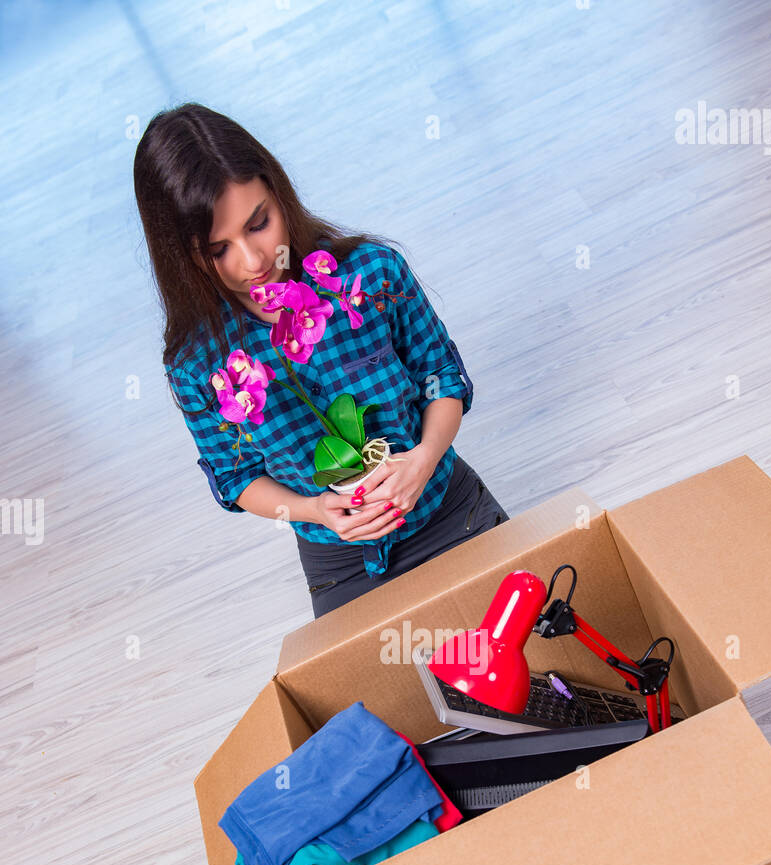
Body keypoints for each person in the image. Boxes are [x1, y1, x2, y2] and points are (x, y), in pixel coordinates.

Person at [133, 103, 508, 617]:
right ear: (183, 256)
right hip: (341, 564)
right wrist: (314, 510)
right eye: (218, 249)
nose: (254, 262)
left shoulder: (371, 274)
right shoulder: (197, 363)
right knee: (383, 698)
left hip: (448, 510)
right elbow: (235, 476)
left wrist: (421, 461)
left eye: (259, 223)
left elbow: (441, 377)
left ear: (279, 193)